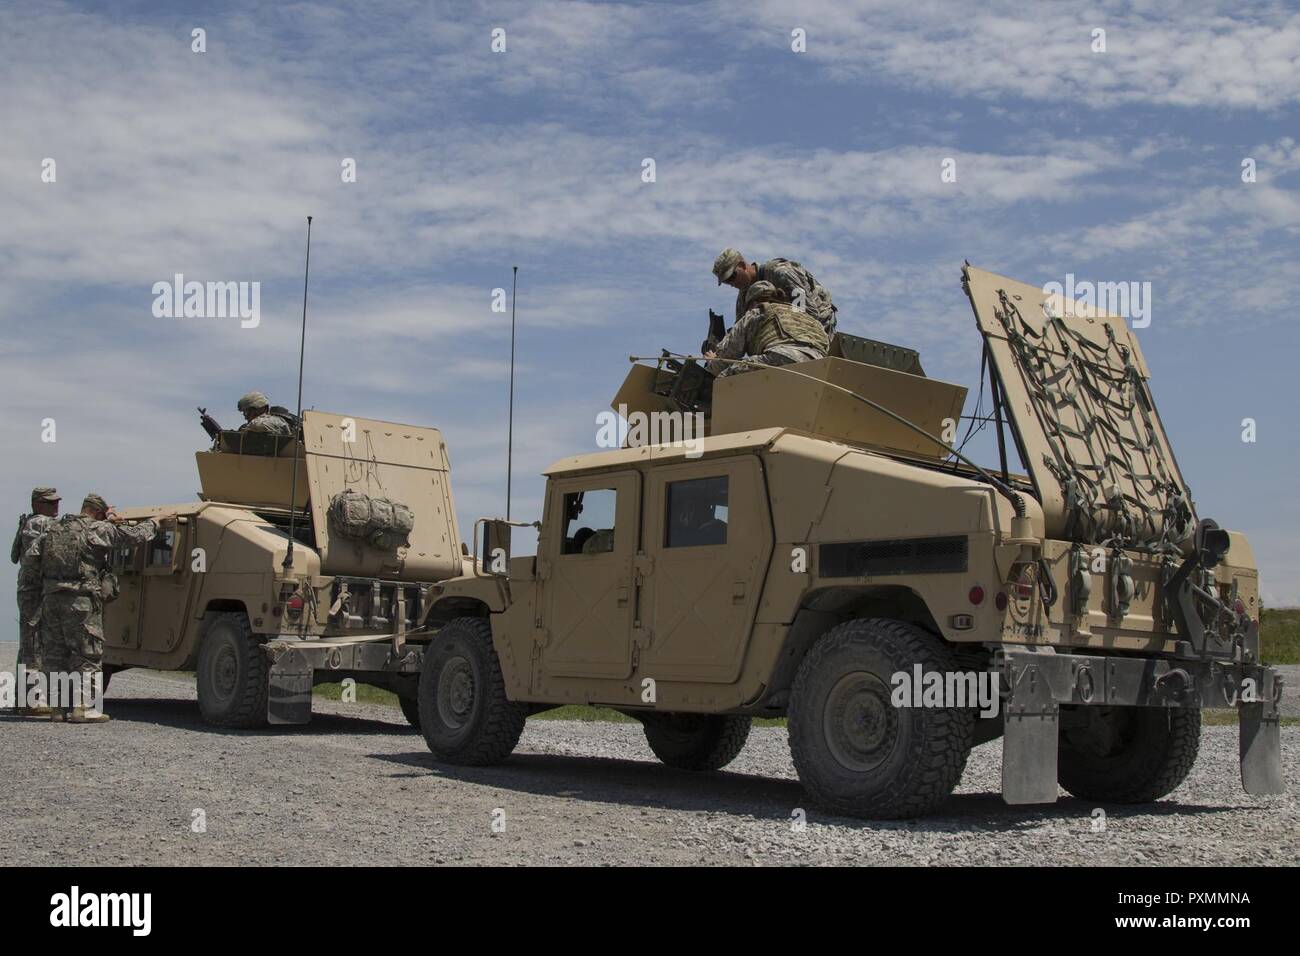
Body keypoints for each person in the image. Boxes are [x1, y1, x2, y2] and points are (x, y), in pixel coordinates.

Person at [29, 493, 157, 722]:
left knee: (55, 654)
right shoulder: (96, 529)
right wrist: (155, 522)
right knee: (87, 653)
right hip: (81, 600)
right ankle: (85, 709)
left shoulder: (53, 529)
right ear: (98, 512)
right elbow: (135, 536)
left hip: (50, 599)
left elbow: (33, 557)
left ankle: (58, 709)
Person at [705, 280, 829, 378]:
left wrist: (712, 362)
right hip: (821, 367)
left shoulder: (757, 312)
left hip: (783, 359)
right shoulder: (806, 316)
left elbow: (725, 358)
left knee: (725, 379)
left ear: (753, 302)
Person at [9, 487, 60, 715]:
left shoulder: (27, 522)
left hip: (29, 588)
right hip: (35, 589)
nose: (55, 506)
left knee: (30, 642)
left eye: (56, 502)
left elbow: (13, 557)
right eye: (50, 503)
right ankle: (31, 701)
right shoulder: (41, 523)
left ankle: (24, 698)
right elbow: (33, 557)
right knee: (35, 642)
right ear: (38, 504)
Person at [712, 248, 838, 336]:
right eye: (726, 282)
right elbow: (740, 329)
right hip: (788, 333)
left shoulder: (781, 273)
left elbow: (807, 311)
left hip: (819, 325)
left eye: (732, 277)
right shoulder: (745, 296)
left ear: (742, 265)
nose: (732, 284)